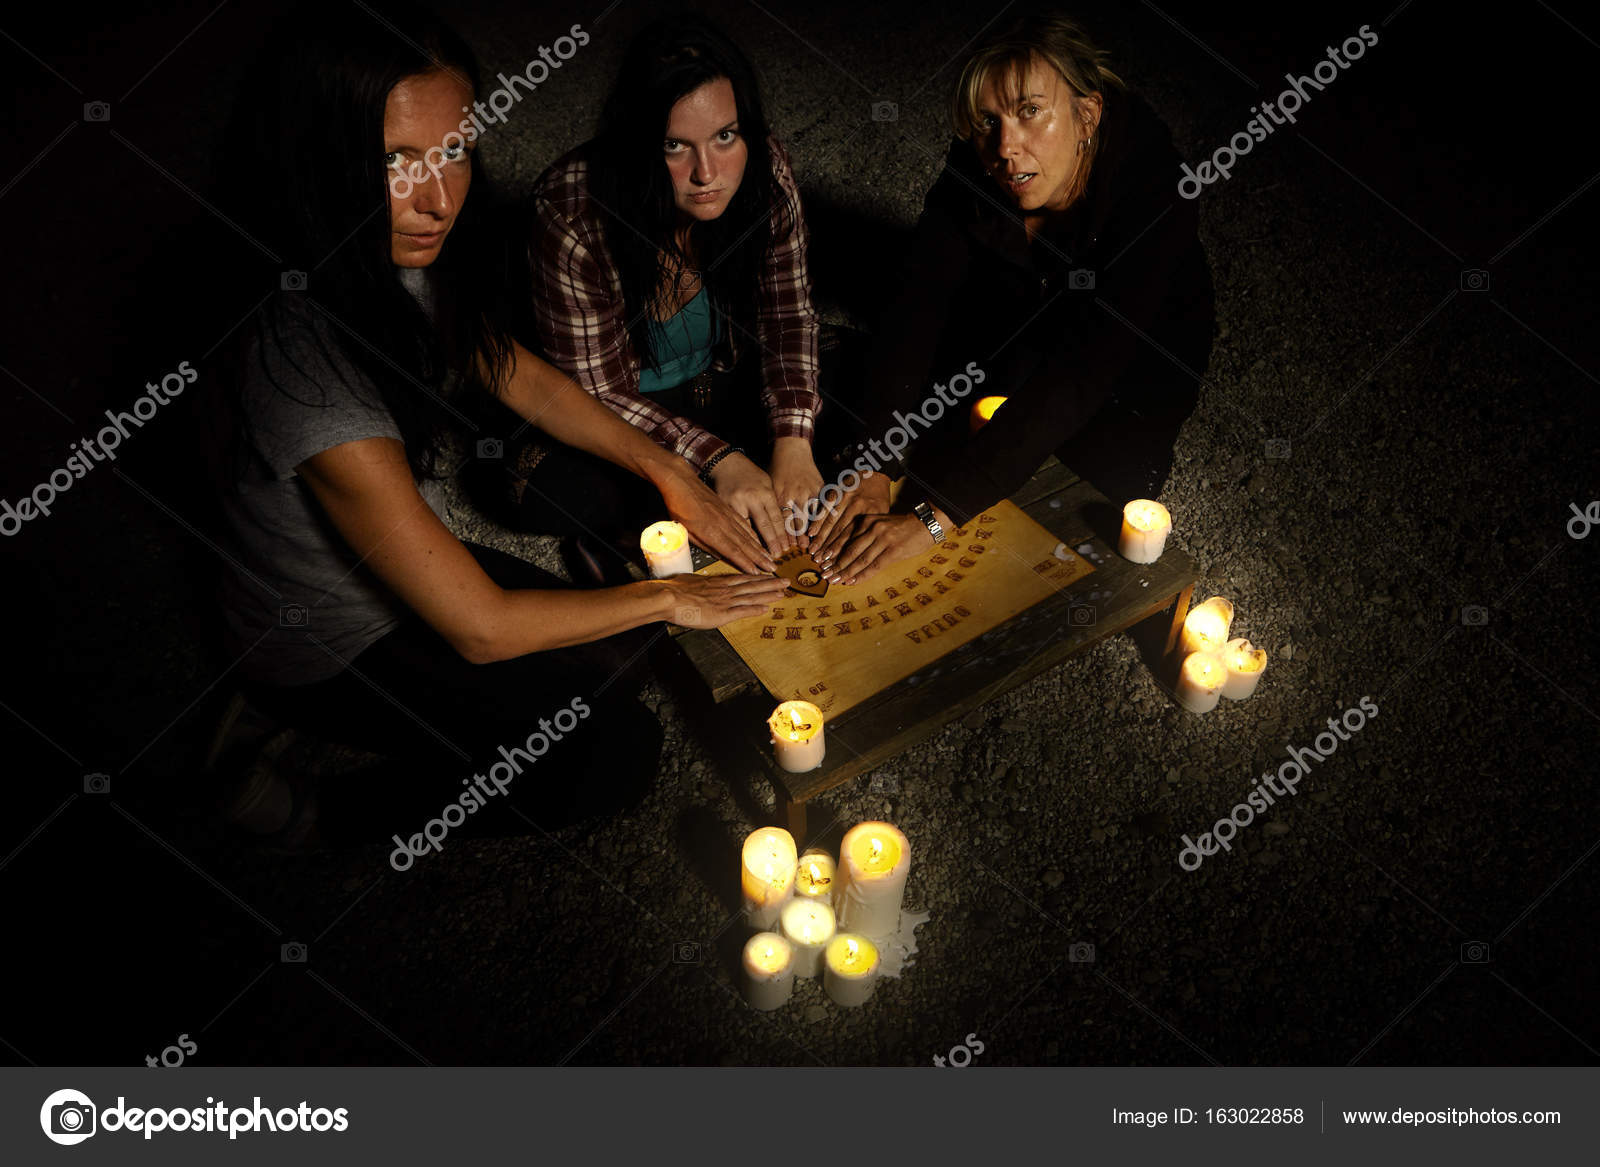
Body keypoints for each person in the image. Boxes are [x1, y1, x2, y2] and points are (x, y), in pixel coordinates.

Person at [203, 1, 787, 839]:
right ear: (319, 154)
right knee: (618, 749)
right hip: (331, 638)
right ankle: (315, 811)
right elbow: (479, 629)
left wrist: (668, 471)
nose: (439, 197)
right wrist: (671, 595)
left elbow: (514, 372)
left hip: (409, 550)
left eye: (454, 152)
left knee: (627, 659)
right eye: (397, 160)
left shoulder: (392, 246)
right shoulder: (301, 368)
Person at [809, 7, 1215, 585]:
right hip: (1024, 313)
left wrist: (933, 518)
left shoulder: (1159, 192)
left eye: (1030, 113)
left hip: (1130, 369)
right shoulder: (982, 161)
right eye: (988, 121)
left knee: (1087, 513)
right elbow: (915, 303)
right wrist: (875, 460)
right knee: (920, 418)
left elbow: (1079, 377)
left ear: (1087, 114)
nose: (1006, 146)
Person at [468, 13, 838, 560]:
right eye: (674, 146)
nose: (707, 173)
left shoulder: (764, 169)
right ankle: (670, 517)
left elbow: (789, 317)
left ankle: (706, 498)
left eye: (725, 136)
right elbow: (597, 393)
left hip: (725, 379)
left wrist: (792, 441)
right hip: (629, 418)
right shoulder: (572, 212)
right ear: (638, 144)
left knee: (856, 382)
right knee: (534, 486)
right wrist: (720, 461)